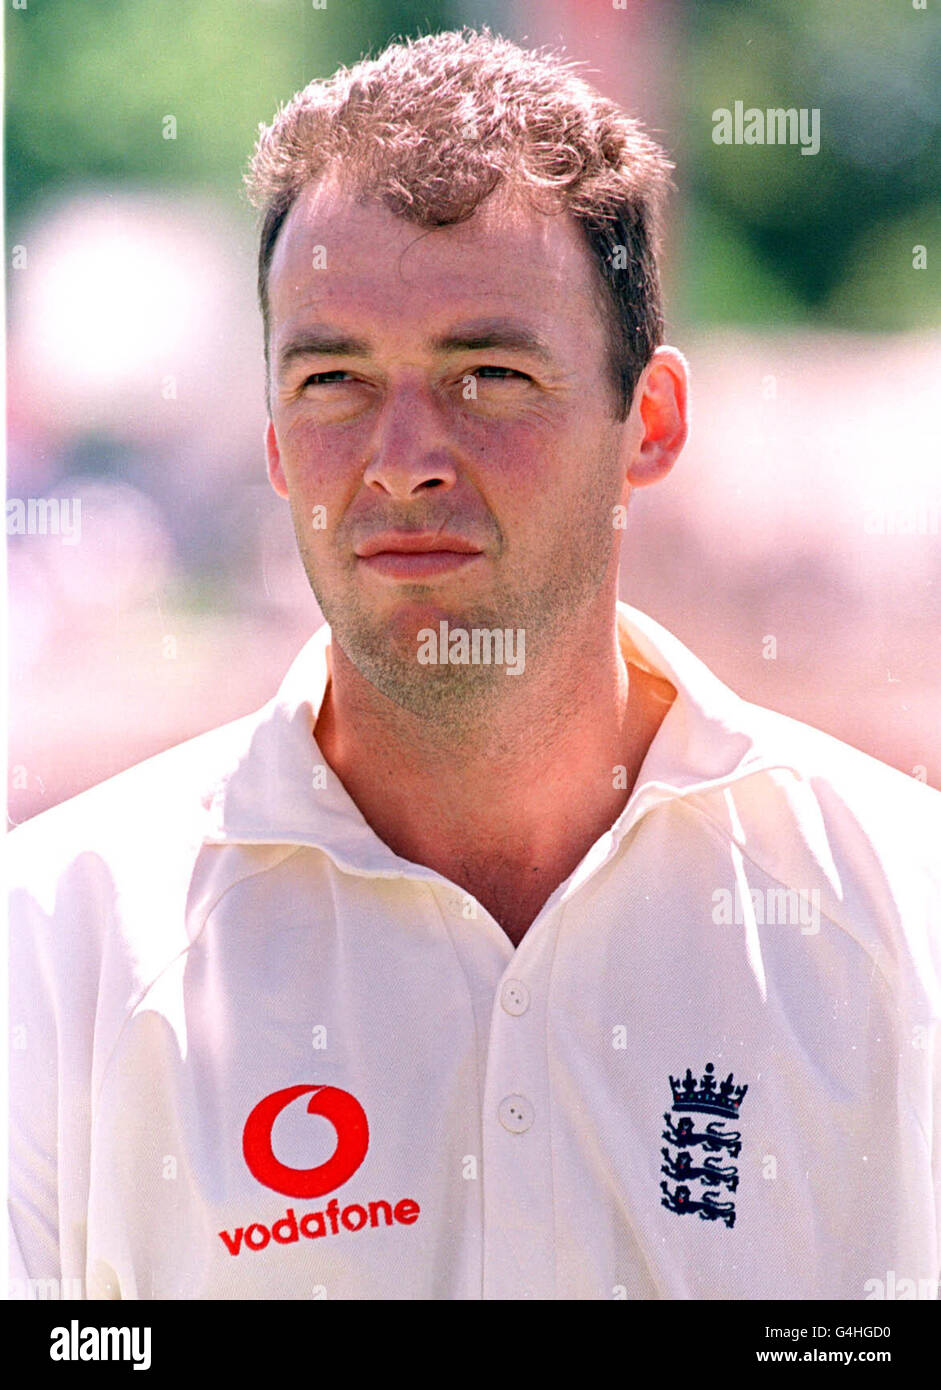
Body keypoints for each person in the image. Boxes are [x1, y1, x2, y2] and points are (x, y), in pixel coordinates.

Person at [9, 27, 940, 1302]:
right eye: (332, 378)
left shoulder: (903, 912)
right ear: (276, 440)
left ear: (648, 424)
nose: (401, 457)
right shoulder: (55, 944)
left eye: (487, 373)